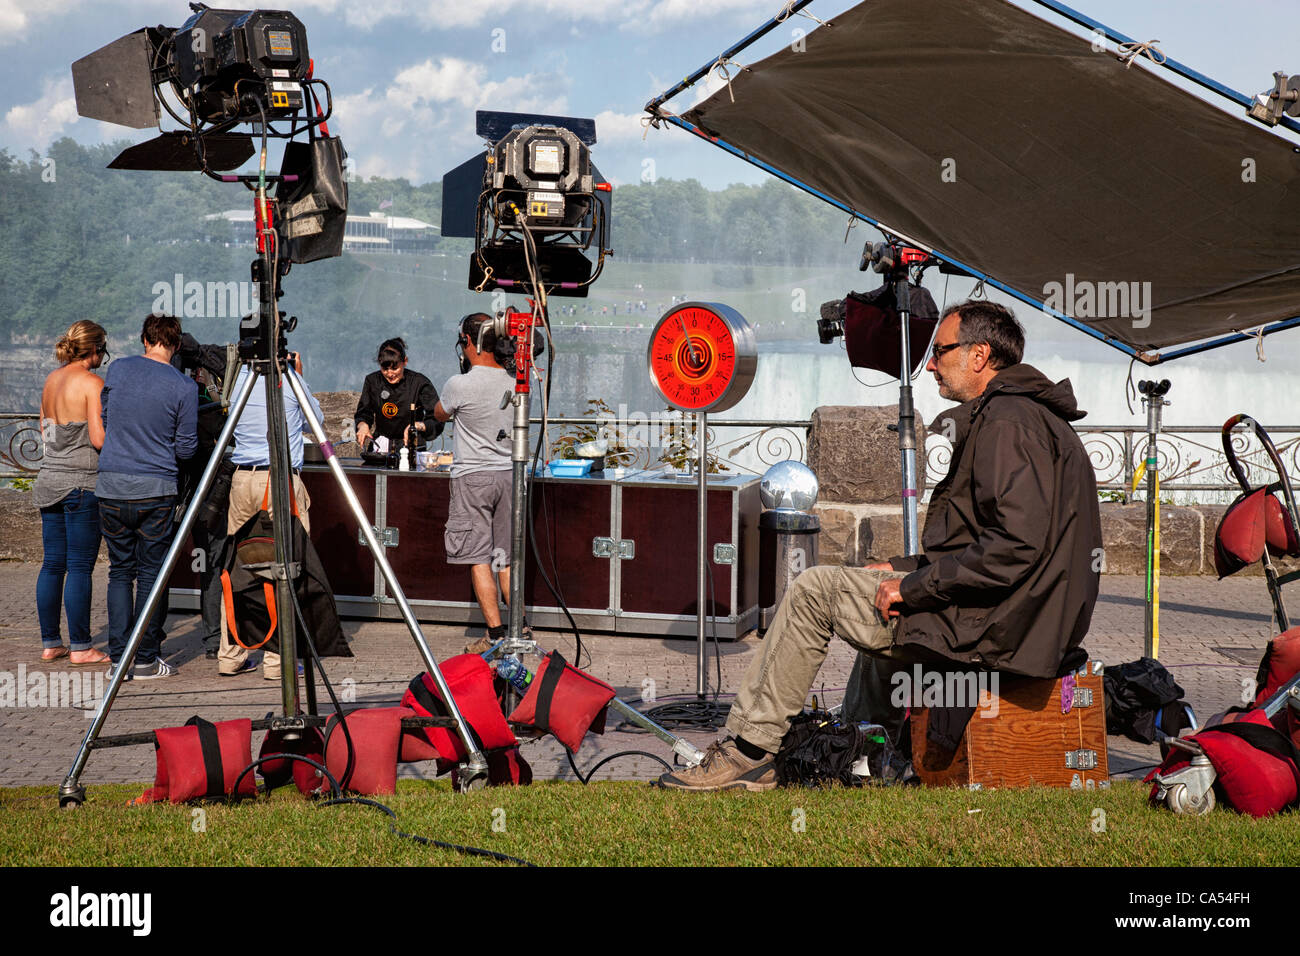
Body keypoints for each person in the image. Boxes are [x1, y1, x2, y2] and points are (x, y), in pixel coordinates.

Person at [659, 300, 1103, 791]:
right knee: (880, 596)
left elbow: (1015, 547)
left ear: (979, 355)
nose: (930, 364)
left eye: (940, 351)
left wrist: (914, 587)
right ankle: (861, 755)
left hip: (1003, 625)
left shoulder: (1006, 422)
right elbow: (986, 540)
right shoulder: (1030, 416)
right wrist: (904, 566)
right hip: (1022, 618)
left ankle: (747, 750)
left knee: (813, 591)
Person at [97, 314, 198, 680]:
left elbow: (108, 419)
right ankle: (145, 658)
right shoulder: (183, 387)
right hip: (155, 490)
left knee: (119, 572)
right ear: (177, 344)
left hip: (110, 485)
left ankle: (118, 658)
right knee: (152, 575)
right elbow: (186, 449)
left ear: (145, 339)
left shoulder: (119, 371)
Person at [218, 351, 323, 680]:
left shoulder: (242, 384)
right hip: (278, 480)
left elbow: (231, 424)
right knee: (288, 567)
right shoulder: (290, 382)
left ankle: (230, 654)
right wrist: (298, 373)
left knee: (238, 569)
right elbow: (315, 421)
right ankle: (279, 660)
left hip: (242, 479)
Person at [34, 321, 111, 666]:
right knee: (80, 567)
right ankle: (81, 646)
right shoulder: (93, 383)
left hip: (48, 479)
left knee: (52, 564)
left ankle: (51, 642)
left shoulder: (52, 380)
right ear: (94, 349)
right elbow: (98, 439)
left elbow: (43, 430)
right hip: (82, 484)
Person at [434, 313, 515, 642]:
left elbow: (440, 413)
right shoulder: (514, 381)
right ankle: (519, 629)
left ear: (467, 341)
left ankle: (495, 634)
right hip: (509, 476)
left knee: (479, 556)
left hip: (472, 478)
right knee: (506, 557)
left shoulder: (458, 384)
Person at [354, 337, 443, 455]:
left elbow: (437, 417)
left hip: (412, 446)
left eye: (395, 368)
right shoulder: (373, 381)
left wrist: (418, 426)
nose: (390, 373)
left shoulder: (419, 383)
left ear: (405, 361)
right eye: (385, 369)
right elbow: (363, 413)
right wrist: (363, 426)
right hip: (382, 446)